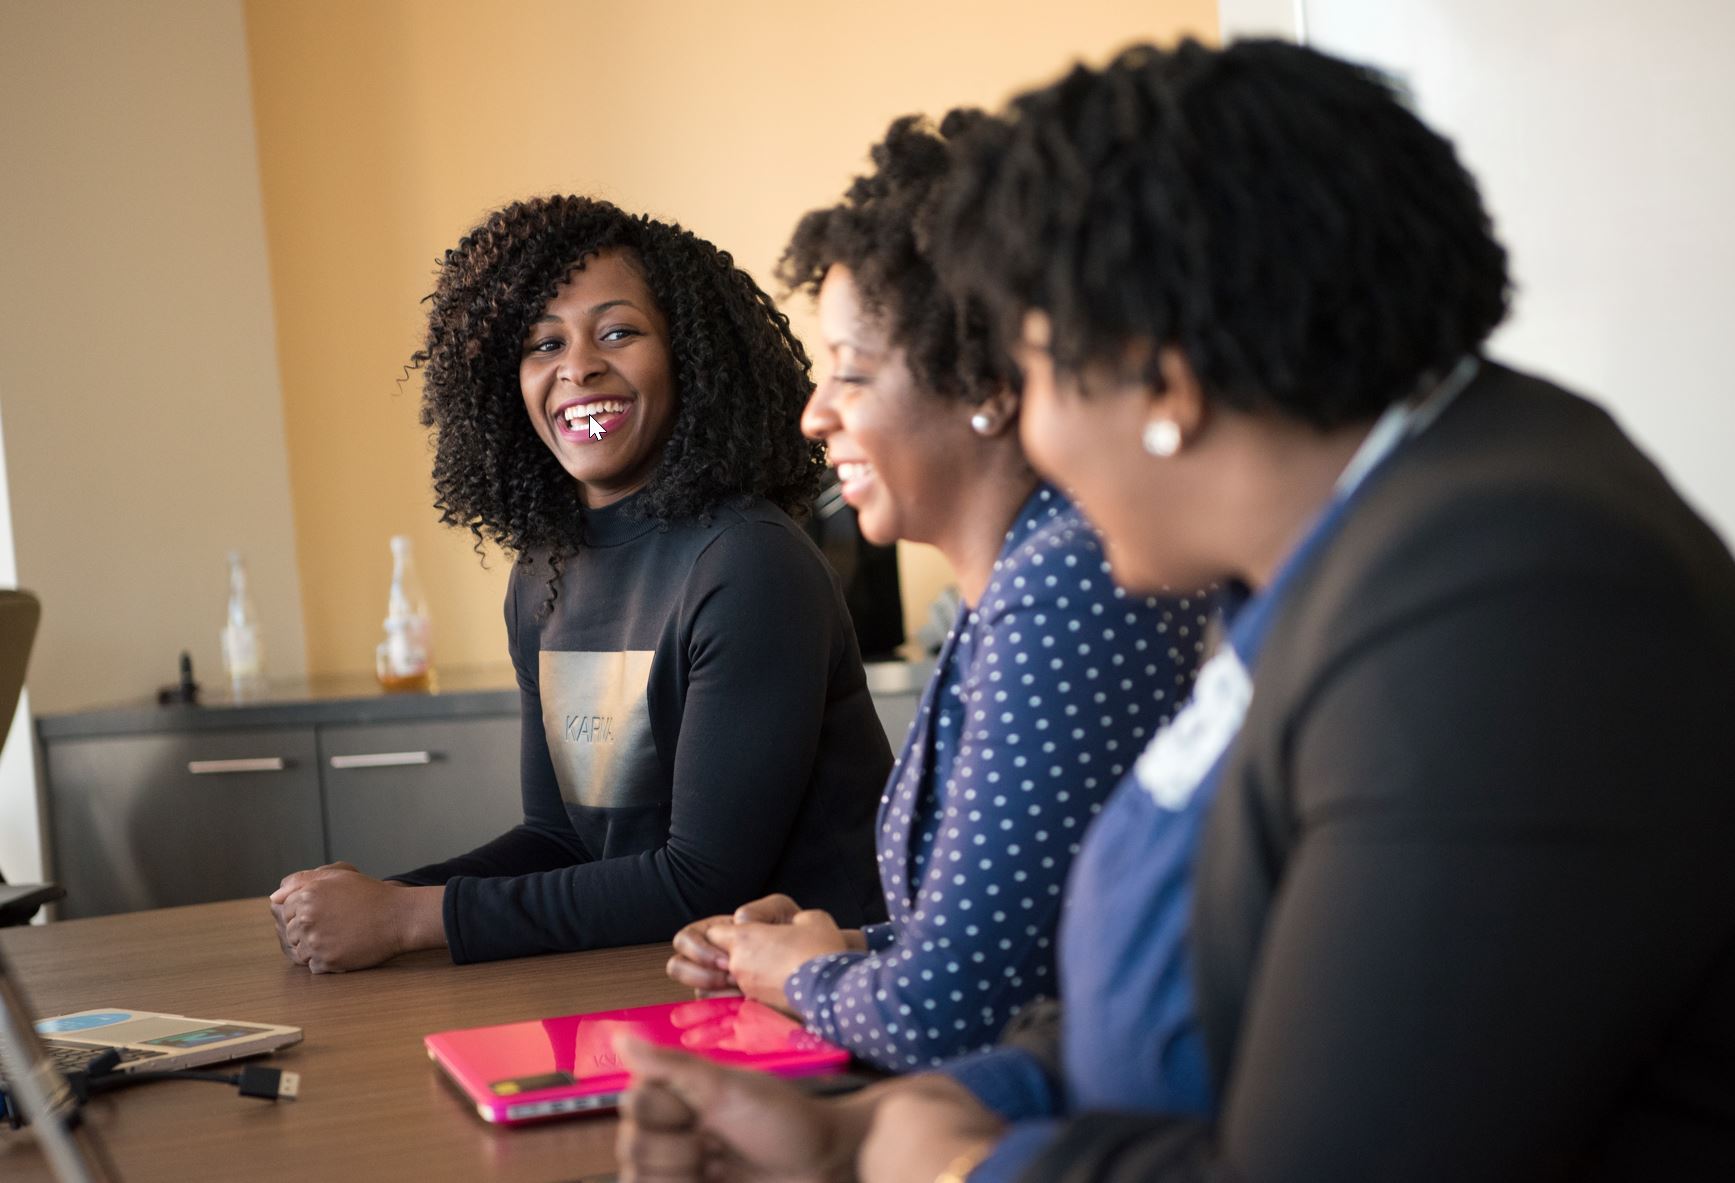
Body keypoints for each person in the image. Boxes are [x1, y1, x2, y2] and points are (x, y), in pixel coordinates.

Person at [613, 39, 1735, 1182]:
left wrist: (957, 1166)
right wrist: (878, 1122)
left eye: (1036, 371)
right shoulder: (1340, 551)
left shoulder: (1509, 605)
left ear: (1163, 381)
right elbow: (1187, 983)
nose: (1032, 436)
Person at [662, 113, 1210, 1071]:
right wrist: (821, 951)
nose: (814, 412)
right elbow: (1016, 944)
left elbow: (947, 1015)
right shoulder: (1018, 581)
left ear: (985, 385)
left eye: (851, 373)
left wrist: (800, 978)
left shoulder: (1065, 587)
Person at [270, 196, 892, 972]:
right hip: (645, 975)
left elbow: (699, 878)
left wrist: (405, 917)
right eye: (542, 343)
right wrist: (376, 898)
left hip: (815, 1001)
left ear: (690, 357)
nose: (578, 366)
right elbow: (561, 839)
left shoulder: (748, 561)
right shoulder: (543, 571)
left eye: (619, 331)